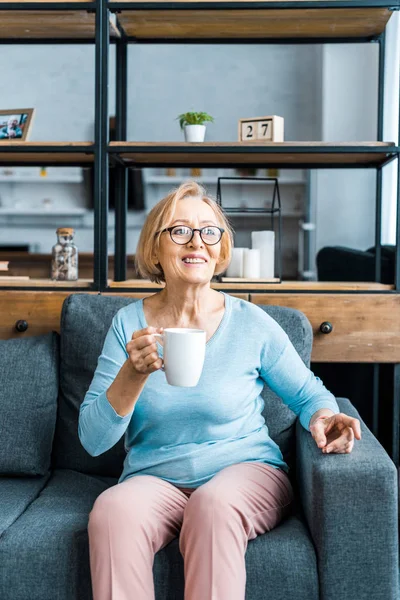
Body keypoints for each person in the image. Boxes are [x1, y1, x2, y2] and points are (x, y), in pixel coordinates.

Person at [79, 181, 361, 600]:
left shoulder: (252, 322)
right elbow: (92, 439)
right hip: (156, 479)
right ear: (155, 248)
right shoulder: (128, 325)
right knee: (112, 511)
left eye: (209, 231)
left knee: (211, 506)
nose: (197, 242)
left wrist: (325, 418)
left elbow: (308, 395)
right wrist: (132, 375)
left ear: (222, 248)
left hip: (245, 474)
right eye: (180, 230)